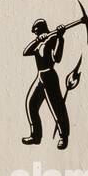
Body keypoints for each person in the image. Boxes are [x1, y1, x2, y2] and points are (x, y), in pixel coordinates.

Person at [22, 19, 70, 150]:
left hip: (50, 76)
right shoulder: (38, 41)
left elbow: (57, 58)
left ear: (42, 29)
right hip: (40, 76)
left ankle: (63, 137)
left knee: (56, 108)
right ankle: (35, 136)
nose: (36, 35)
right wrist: (37, 40)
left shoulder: (53, 38)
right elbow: (25, 52)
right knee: (31, 104)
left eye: (37, 32)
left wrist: (60, 38)